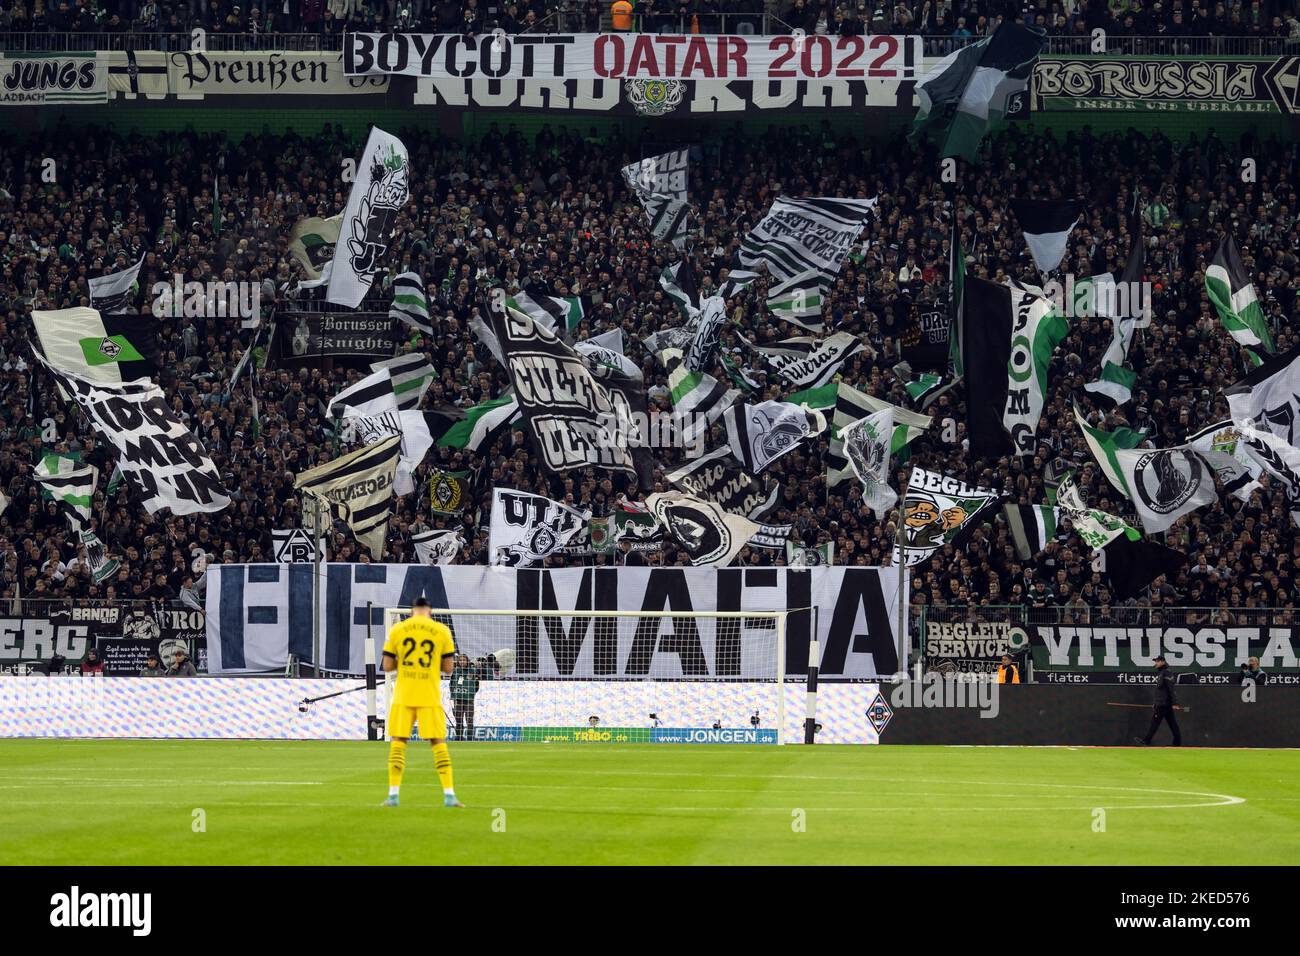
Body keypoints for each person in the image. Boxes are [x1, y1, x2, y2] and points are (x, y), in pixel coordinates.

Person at [380, 597, 462, 808]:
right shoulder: (442, 631)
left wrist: (406, 663)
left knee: (398, 742)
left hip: (404, 695)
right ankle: (449, 794)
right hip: (429, 695)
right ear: (429, 611)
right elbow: (449, 668)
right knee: (438, 743)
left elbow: (387, 665)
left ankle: (393, 795)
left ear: (412, 612)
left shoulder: (398, 630)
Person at [450, 652, 499, 741]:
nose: (462, 662)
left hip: (469, 699)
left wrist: (471, 693)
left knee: (469, 720)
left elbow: (476, 684)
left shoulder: (473, 670)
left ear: (467, 661)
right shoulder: (456, 671)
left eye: (464, 660)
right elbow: (451, 684)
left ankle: (469, 737)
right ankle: (459, 737)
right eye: (460, 660)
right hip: (458, 699)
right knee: (458, 720)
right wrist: (454, 695)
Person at [1136, 655, 1181, 746]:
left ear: (1162, 662)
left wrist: (1174, 703)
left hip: (1163, 704)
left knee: (1155, 723)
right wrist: (1156, 703)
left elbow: (1171, 689)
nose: (1155, 663)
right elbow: (1162, 691)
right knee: (1172, 724)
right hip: (1162, 704)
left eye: (1157, 661)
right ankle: (1177, 743)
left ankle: (1146, 741)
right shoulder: (1162, 673)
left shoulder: (1166, 673)